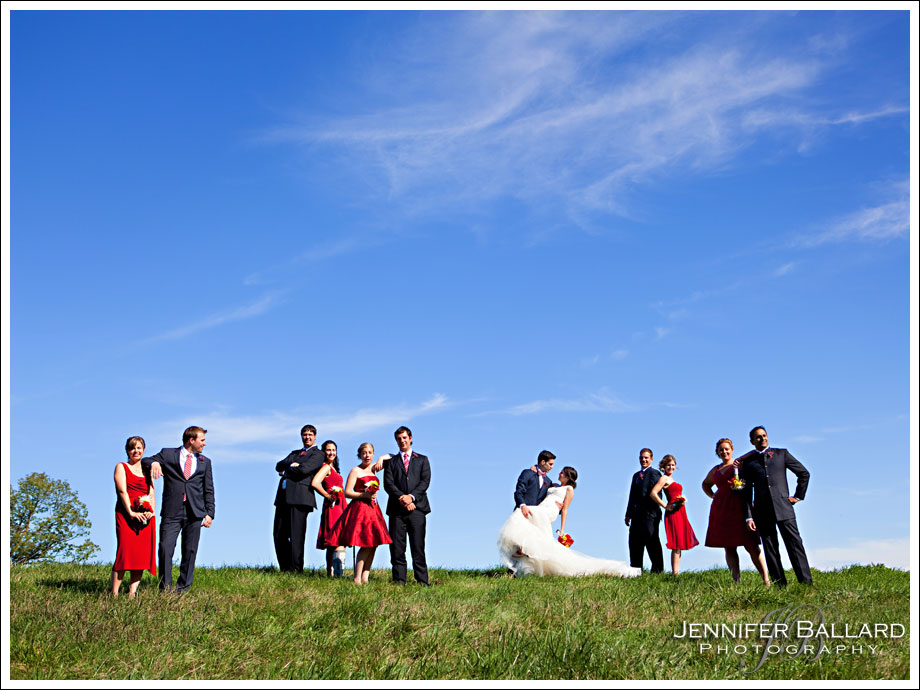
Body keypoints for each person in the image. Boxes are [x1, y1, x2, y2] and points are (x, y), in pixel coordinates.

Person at [498, 466, 640, 578]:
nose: (559, 473)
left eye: (562, 472)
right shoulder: (553, 485)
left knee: (522, 513)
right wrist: (535, 470)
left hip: (549, 512)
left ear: (568, 477)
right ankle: (523, 551)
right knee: (532, 529)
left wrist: (562, 529)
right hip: (542, 508)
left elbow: (565, 509)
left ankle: (522, 549)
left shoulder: (569, 489)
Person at [144, 426, 215, 593]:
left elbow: (209, 489)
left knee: (190, 551)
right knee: (165, 548)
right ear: (191, 440)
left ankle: (183, 588)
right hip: (172, 511)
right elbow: (145, 460)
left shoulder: (205, 462)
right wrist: (154, 462)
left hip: (195, 512)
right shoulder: (168, 454)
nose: (205, 443)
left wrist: (210, 513)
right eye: (202, 440)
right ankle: (165, 588)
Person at [740, 426, 812, 586]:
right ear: (752, 441)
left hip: (784, 508)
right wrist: (749, 516)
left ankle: (806, 583)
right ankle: (780, 585)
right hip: (762, 511)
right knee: (770, 548)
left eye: (764, 435)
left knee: (795, 545)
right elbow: (746, 492)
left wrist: (798, 496)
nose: (763, 438)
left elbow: (804, 474)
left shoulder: (782, 454)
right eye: (758, 437)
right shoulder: (749, 464)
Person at [702, 438, 770, 585]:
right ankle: (736, 581)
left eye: (727, 449)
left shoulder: (739, 464)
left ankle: (765, 578)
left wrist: (740, 459)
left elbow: (753, 452)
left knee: (751, 544)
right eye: (721, 450)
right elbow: (705, 484)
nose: (724, 451)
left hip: (740, 507)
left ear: (732, 449)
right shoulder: (716, 469)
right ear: (717, 452)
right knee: (729, 546)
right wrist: (713, 495)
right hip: (721, 509)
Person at [327, 442, 393, 584]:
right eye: (364, 453)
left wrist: (381, 458)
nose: (367, 455)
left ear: (373, 454)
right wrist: (364, 495)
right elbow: (347, 492)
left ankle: (365, 577)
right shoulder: (355, 471)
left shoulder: (374, 469)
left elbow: (393, 456)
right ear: (360, 455)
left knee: (374, 543)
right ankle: (357, 578)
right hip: (360, 509)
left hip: (373, 509)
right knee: (366, 542)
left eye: (369, 452)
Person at [273, 424, 326, 573]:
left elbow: (304, 470)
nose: (307, 437)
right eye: (305, 434)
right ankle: (285, 568)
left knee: (296, 535)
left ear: (315, 437)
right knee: (278, 533)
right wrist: (292, 464)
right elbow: (278, 466)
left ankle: (296, 568)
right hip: (283, 498)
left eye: (310, 434)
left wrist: (290, 468)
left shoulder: (318, 454)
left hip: (300, 498)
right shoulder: (295, 453)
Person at [382, 426, 431, 586]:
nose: (402, 441)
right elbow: (388, 484)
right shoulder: (391, 462)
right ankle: (399, 580)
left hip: (417, 509)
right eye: (399, 439)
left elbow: (425, 482)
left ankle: (422, 580)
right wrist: (402, 498)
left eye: (404, 437)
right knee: (397, 548)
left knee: (418, 546)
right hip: (397, 510)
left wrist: (411, 498)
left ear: (410, 438)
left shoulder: (422, 459)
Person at [111, 435, 156, 598]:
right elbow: (121, 491)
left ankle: (132, 593)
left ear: (143, 450)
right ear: (127, 451)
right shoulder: (121, 467)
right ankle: (114, 593)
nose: (136, 451)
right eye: (132, 448)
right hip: (126, 513)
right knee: (124, 553)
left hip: (145, 517)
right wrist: (131, 512)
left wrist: (151, 512)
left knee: (140, 556)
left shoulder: (147, 469)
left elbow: (151, 492)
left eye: (139, 448)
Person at [650, 454, 699, 575]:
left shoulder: (672, 479)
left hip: (680, 511)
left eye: (673, 465)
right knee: (676, 542)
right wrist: (665, 505)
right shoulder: (664, 478)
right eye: (668, 465)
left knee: (680, 543)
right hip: (673, 512)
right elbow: (653, 493)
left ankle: (677, 572)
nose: (671, 467)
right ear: (664, 466)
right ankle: (675, 572)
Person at [311, 440, 348, 577]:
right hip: (333, 507)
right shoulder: (326, 467)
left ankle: (331, 573)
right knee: (337, 539)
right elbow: (315, 483)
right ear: (324, 452)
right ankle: (338, 573)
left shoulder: (333, 468)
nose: (331, 452)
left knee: (335, 540)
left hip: (340, 506)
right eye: (328, 450)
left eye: (333, 450)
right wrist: (327, 495)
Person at [624, 448, 664, 573]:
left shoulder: (654, 474)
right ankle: (635, 570)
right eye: (641, 457)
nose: (643, 460)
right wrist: (628, 514)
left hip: (649, 515)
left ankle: (657, 571)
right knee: (634, 543)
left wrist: (653, 512)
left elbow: (657, 494)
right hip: (636, 515)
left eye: (646, 457)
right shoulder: (636, 476)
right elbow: (632, 495)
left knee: (652, 542)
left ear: (651, 459)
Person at [514, 450, 556, 519]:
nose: (552, 467)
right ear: (543, 462)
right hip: (521, 514)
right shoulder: (527, 473)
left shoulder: (548, 481)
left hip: (536, 518)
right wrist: (522, 506)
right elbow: (518, 492)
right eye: (550, 464)